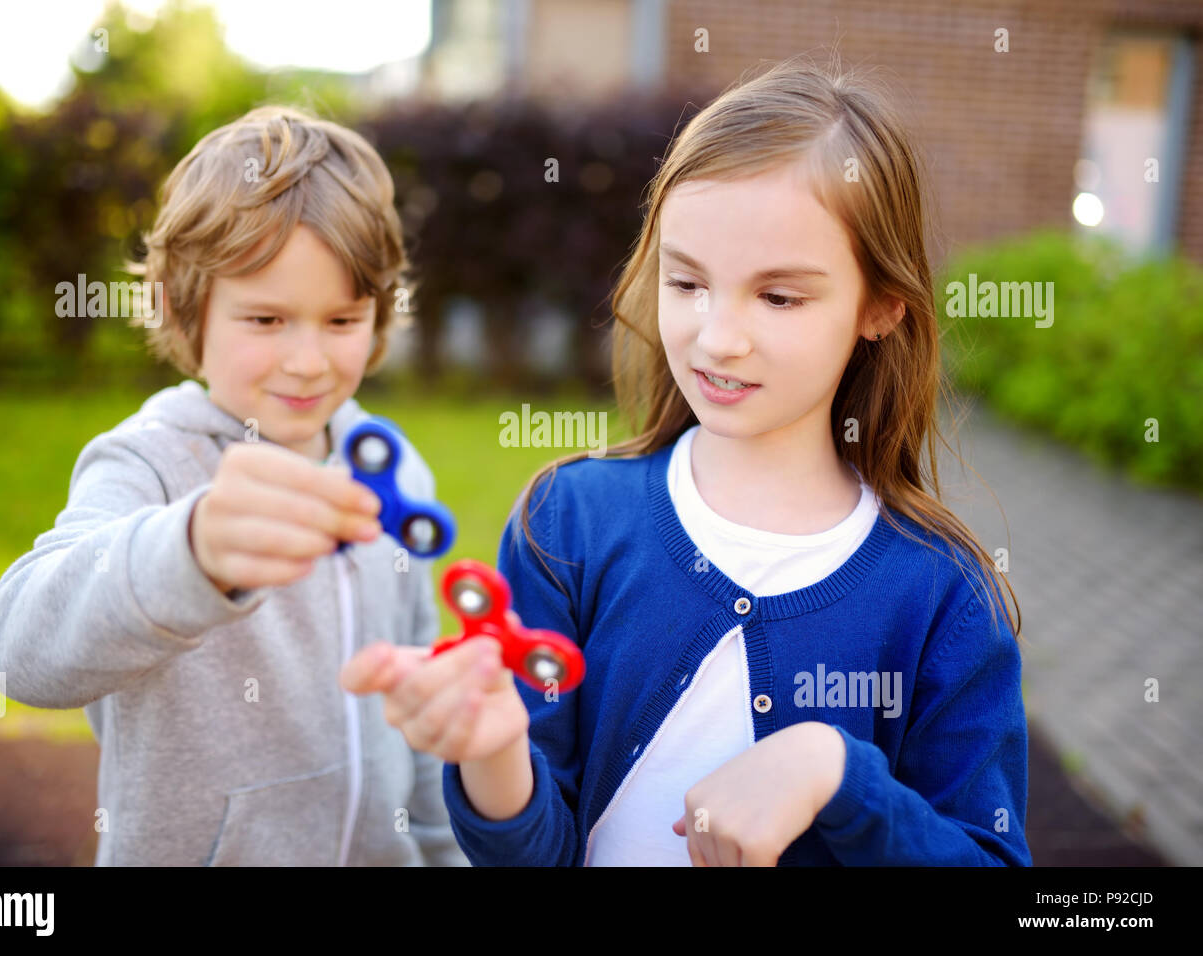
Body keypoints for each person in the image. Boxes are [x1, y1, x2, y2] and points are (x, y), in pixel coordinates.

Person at [342, 59, 1031, 866]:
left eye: (778, 296)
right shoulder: (568, 522)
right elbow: (533, 851)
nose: (717, 337)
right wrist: (494, 751)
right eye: (688, 282)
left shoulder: (944, 595)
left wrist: (838, 776)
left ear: (880, 306)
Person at [0, 106, 467, 866]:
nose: (307, 361)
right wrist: (190, 552)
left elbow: (419, 690)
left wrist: (441, 852)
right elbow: (14, 653)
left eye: (342, 321)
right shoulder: (147, 463)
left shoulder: (389, 467)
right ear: (184, 312)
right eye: (266, 320)